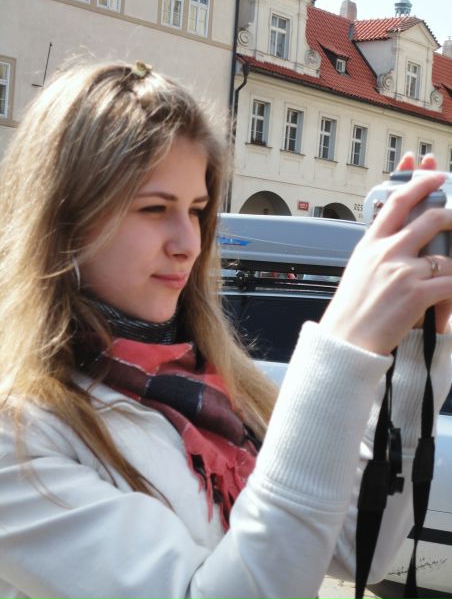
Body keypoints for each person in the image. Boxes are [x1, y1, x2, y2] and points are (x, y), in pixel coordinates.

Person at [0, 60, 450, 599]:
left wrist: (415, 347)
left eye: (196, 210)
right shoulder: (19, 436)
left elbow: (360, 547)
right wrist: (340, 349)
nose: (188, 243)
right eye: (154, 208)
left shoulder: (207, 380)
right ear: (63, 220)